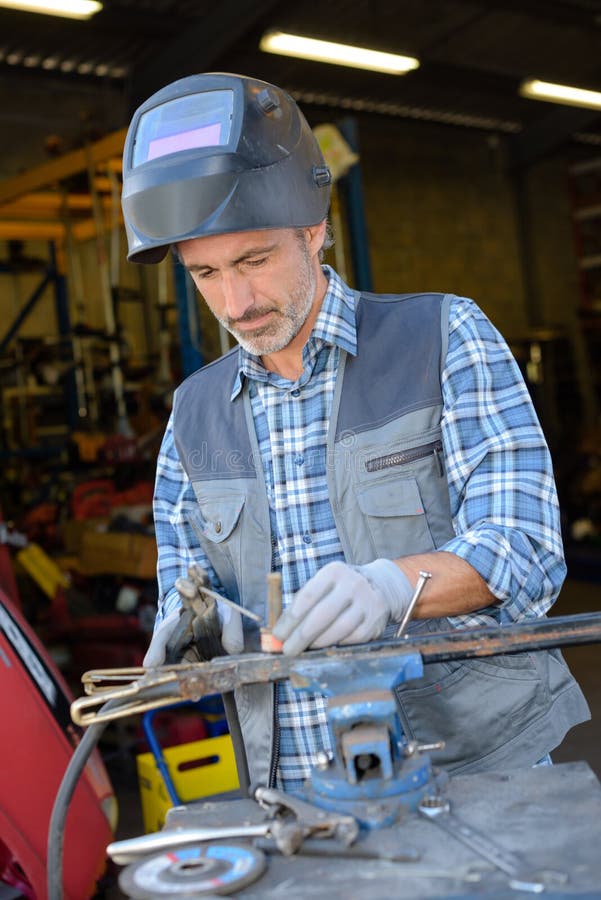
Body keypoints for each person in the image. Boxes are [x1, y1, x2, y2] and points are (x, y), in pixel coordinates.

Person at [120, 71, 589, 792]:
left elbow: (523, 550)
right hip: (294, 783)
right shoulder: (193, 413)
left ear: (313, 229)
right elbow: (192, 596)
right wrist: (197, 634)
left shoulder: (441, 337)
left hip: (473, 768)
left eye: (253, 260)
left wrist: (391, 585)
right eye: (205, 273)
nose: (236, 302)